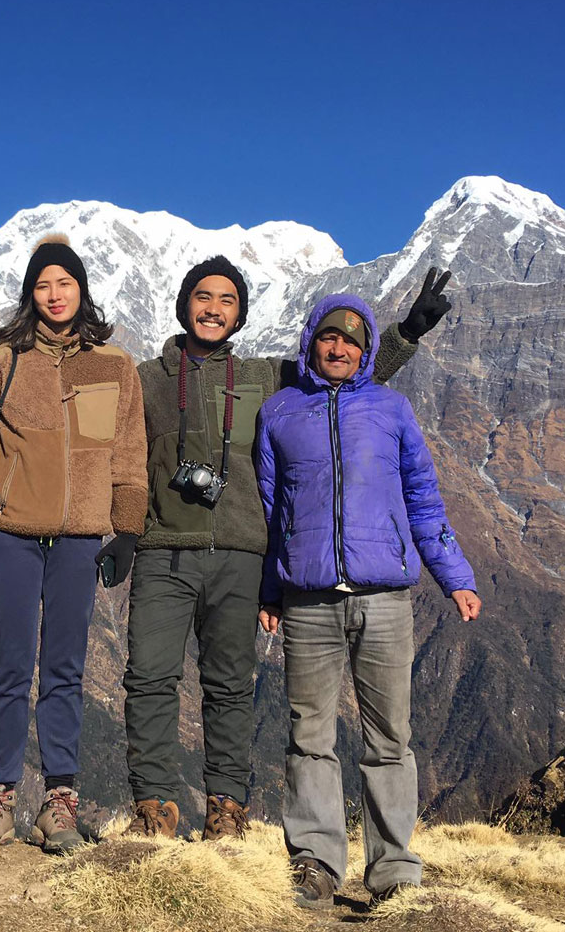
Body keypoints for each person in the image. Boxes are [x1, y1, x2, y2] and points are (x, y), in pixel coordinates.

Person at [123, 258, 453, 840]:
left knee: (229, 685)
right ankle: (155, 806)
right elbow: (116, 455)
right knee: (150, 678)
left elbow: (343, 381)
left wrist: (405, 335)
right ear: (183, 304)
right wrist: (121, 529)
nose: (213, 309)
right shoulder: (144, 379)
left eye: (227, 300)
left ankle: (226, 808)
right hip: (163, 550)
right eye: (203, 297)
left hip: (244, 553)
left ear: (239, 314)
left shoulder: (265, 379)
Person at [253, 293, 481, 908]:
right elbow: (274, 514)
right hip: (307, 601)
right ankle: (316, 863)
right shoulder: (279, 414)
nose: (339, 349)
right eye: (329, 339)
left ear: (367, 350)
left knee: (389, 738)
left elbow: (424, 499)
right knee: (310, 735)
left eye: (351, 342)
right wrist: (272, 588)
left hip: (385, 597)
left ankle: (394, 870)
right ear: (311, 343)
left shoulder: (392, 409)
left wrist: (454, 576)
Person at [0, 233, 146, 853]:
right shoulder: (2, 362)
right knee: (10, 667)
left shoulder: (114, 366)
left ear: (82, 290)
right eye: (43, 284)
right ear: (30, 293)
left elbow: (128, 454)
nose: (55, 294)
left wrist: (128, 530)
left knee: (64, 670)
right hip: (9, 534)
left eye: (65, 283)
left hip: (78, 540)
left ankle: (59, 803)